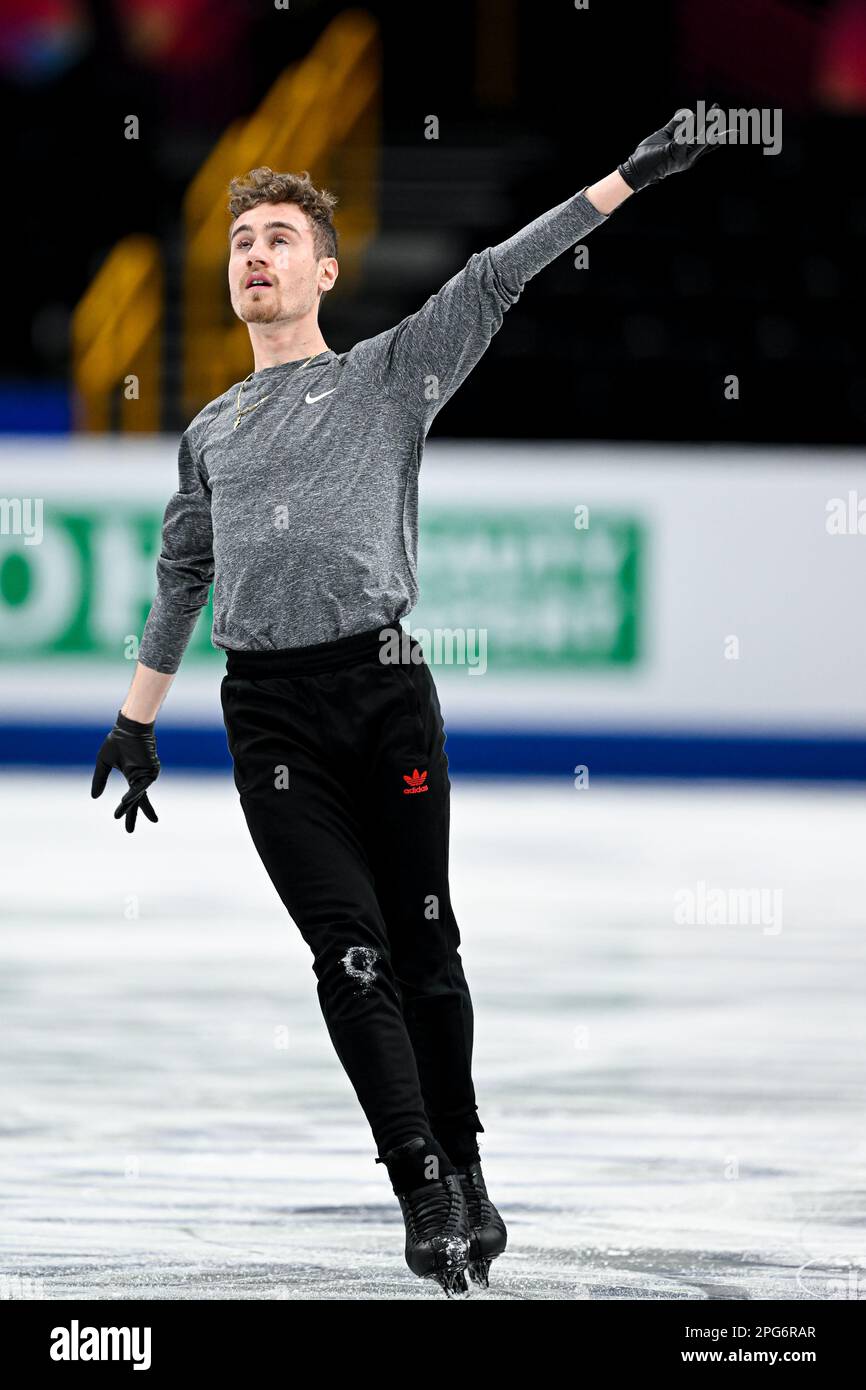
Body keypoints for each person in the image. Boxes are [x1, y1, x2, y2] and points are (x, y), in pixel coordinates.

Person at [92, 108, 721, 1296]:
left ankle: (471, 1173)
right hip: (270, 720)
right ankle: (420, 1185)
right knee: (352, 956)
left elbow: (495, 276)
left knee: (426, 952)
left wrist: (624, 180)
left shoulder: (388, 375)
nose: (256, 258)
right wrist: (136, 721)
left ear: (325, 269)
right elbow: (183, 575)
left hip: (385, 704)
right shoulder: (210, 432)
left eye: (280, 238)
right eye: (241, 245)